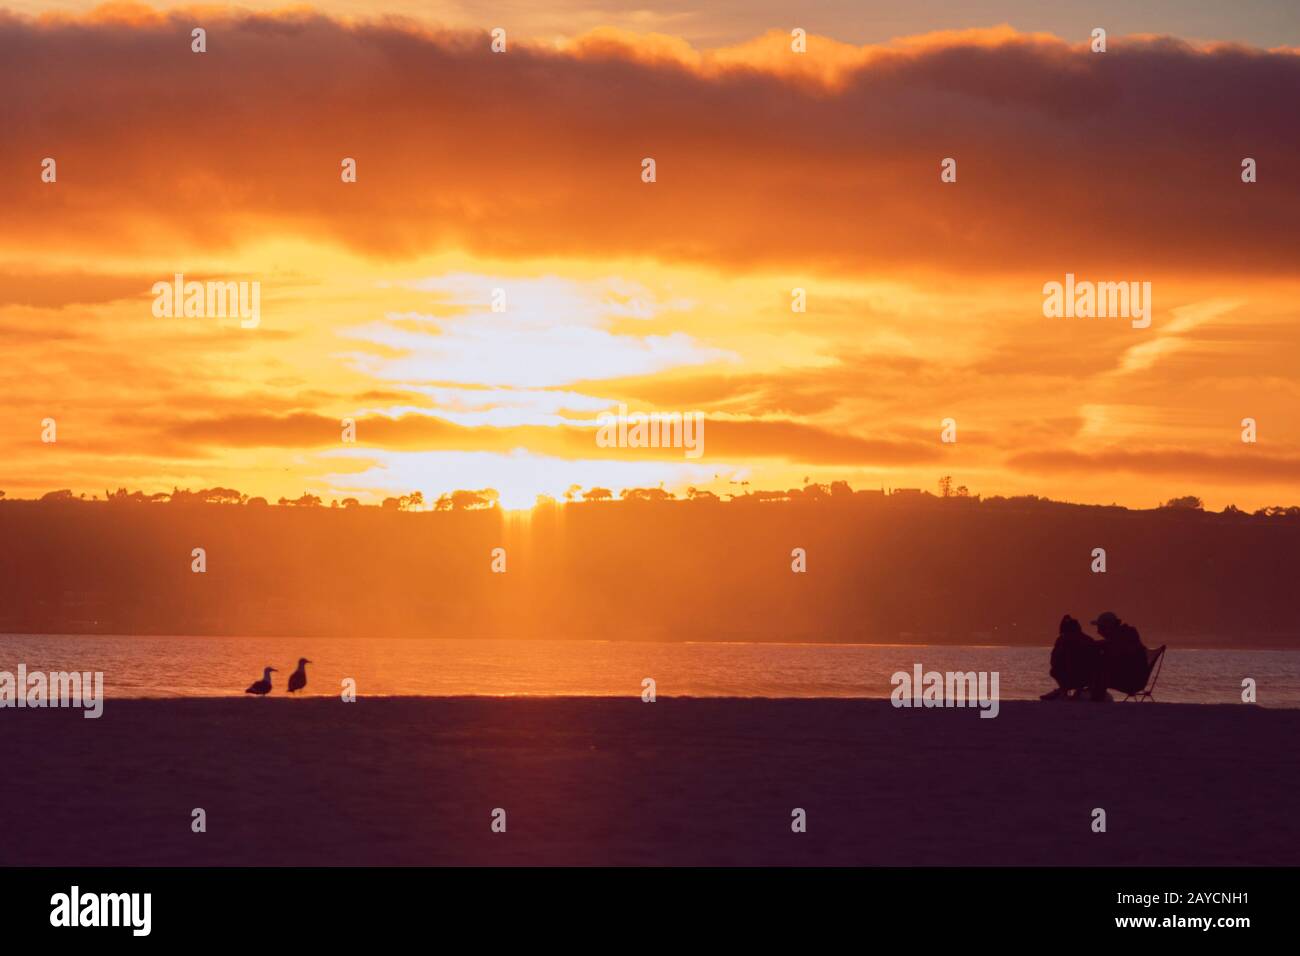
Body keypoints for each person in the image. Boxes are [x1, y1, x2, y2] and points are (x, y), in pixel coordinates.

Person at [1090, 611, 1149, 700]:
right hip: (1133, 677)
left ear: (1108, 627)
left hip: (1131, 680)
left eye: (1100, 628)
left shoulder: (1122, 638)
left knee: (1099, 669)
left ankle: (1096, 700)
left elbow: (1115, 656)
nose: (1098, 631)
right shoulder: (1124, 634)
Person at [1041, 614, 1101, 700]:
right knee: (1056, 670)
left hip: (1078, 676)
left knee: (1057, 670)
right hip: (1078, 676)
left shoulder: (1064, 640)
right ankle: (1069, 691)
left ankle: (1068, 691)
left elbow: (1054, 661)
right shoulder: (1086, 640)